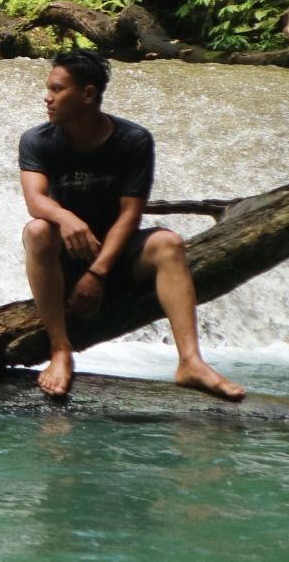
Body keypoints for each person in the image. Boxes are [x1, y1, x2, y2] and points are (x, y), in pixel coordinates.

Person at [19, 50, 246, 402]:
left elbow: (130, 215)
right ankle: (60, 349)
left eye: (57, 89)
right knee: (36, 230)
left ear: (88, 94)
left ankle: (190, 362)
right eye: (48, 88)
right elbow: (36, 201)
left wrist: (98, 274)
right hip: (64, 260)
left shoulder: (133, 141)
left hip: (116, 256)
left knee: (169, 243)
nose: (47, 97)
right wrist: (66, 218)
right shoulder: (38, 140)